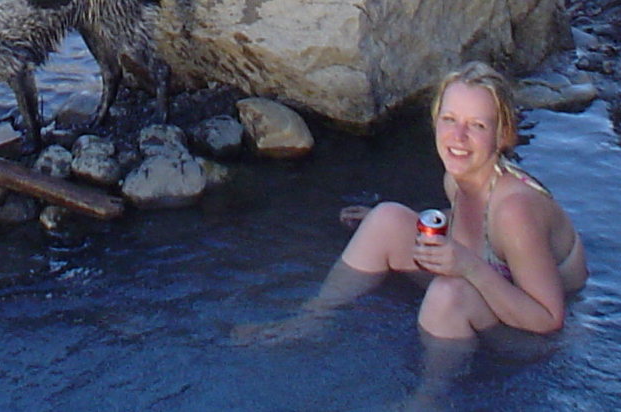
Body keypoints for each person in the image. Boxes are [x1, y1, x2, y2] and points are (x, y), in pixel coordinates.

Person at [246, 63, 587, 343]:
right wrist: (412, 227)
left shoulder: (515, 212)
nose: (458, 138)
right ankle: (311, 322)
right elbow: (468, 220)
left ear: (502, 136)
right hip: (493, 293)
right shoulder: (457, 179)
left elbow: (548, 319)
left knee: (447, 294)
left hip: (536, 341)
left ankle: (428, 400)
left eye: (477, 126)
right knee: (387, 219)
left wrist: (468, 266)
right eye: (449, 120)